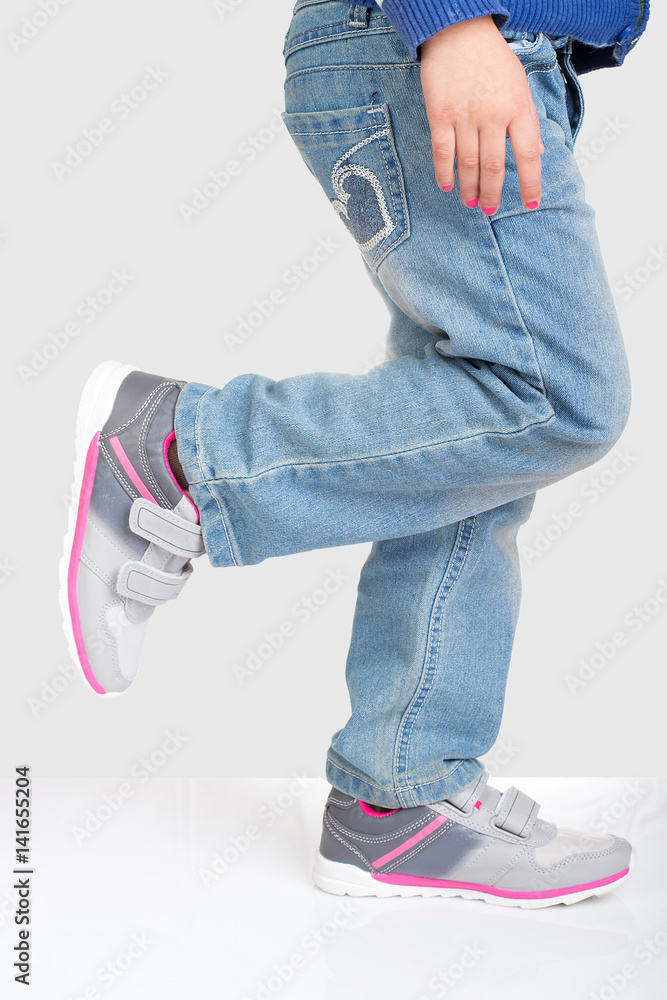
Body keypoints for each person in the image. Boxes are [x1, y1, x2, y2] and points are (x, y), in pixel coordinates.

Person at [59, 0, 649, 906]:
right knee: (557, 397)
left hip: (473, 45)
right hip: (440, 35)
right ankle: (182, 454)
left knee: (470, 448)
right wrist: (449, 21)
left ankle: (397, 799)